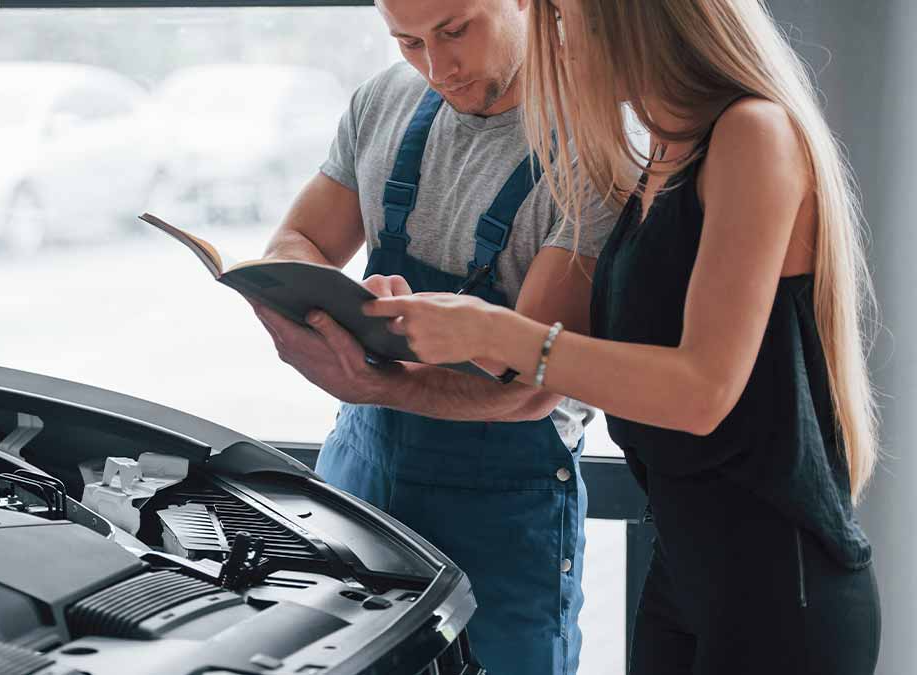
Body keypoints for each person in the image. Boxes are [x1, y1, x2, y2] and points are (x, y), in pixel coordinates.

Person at [363, 1, 882, 673]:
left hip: (780, 586)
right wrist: (438, 328)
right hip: (683, 568)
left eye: (560, 16)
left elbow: (702, 392)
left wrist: (497, 331)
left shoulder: (752, 132)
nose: (551, 39)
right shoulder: (662, 153)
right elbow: (586, 361)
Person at [251, 1, 615, 672]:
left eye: (456, 31)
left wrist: (379, 379)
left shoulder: (595, 145)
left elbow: (532, 388)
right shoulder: (386, 98)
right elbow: (297, 240)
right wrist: (322, 303)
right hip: (358, 472)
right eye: (408, 41)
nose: (437, 67)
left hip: (504, 511)